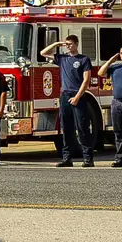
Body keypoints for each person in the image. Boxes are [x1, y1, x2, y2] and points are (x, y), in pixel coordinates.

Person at [51, 34, 96, 168]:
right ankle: (67, 158)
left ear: (76, 44)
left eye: (70, 44)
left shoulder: (83, 60)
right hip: (64, 95)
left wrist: (77, 97)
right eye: (67, 44)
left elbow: (86, 80)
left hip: (78, 95)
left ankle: (88, 158)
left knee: (82, 127)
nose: (68, 46)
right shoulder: (62, 58)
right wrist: (57, 44)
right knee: (66, 128)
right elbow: (43, 53)